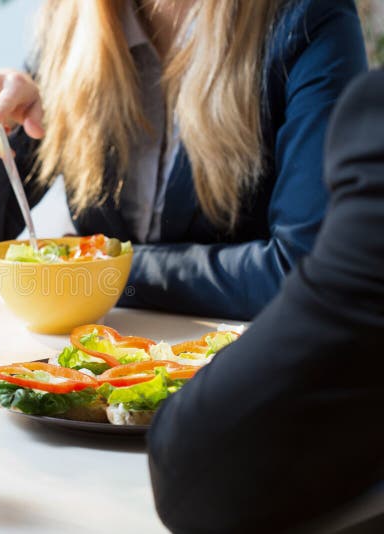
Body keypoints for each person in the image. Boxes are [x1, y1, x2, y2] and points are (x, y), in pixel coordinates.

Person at [0, 0, 368, 320]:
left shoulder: (308, 19)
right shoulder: (72, 24)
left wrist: (102, 268)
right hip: (93, 367)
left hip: (239, 371)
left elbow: (308, 271)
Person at [147, 69, 384, 533]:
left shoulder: (303, 22)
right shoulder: (74, 31)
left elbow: (197, 471)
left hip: (242, 404)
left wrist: (119, 266)